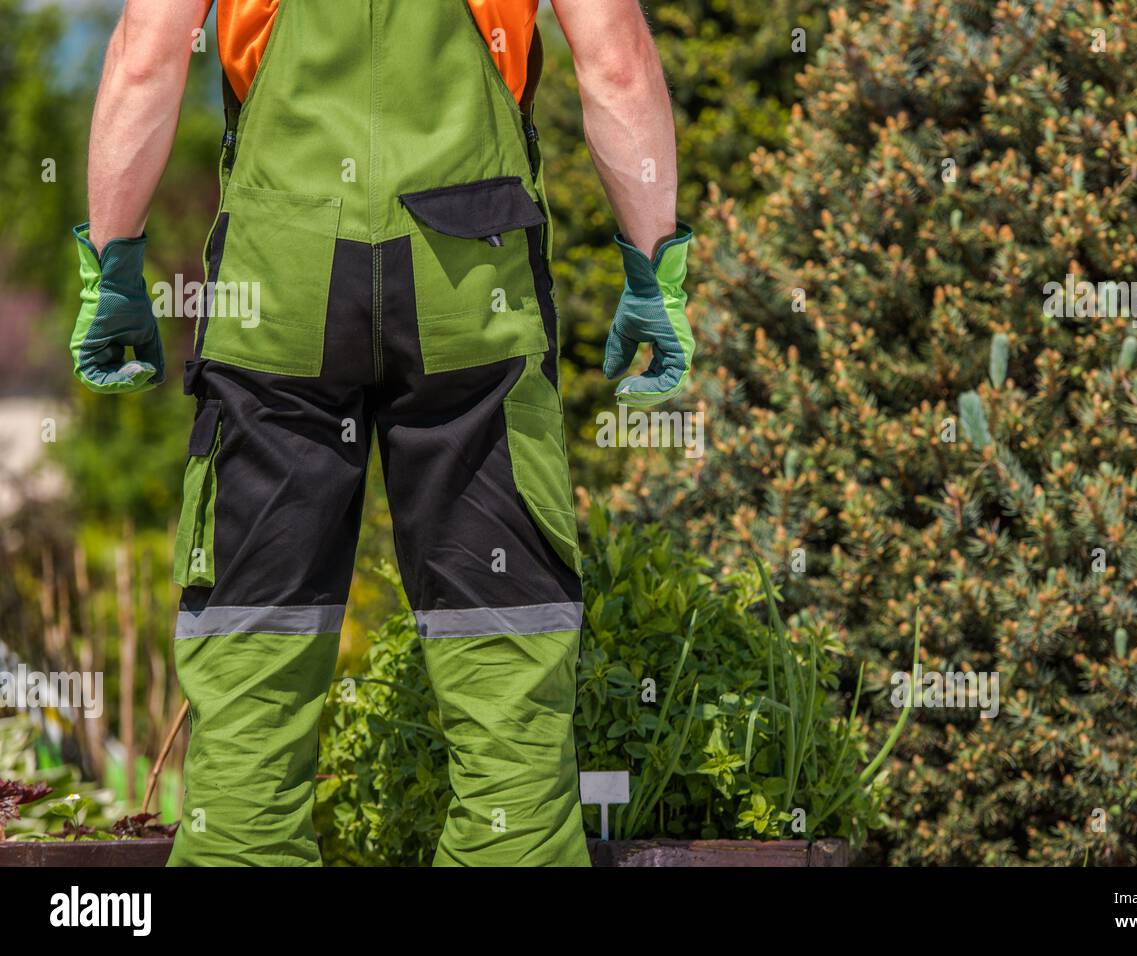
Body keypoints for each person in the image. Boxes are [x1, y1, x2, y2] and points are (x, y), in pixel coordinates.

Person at [69, 0, 696, 866]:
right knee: (506, 640)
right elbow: (615, 58)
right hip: (471, 276)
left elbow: (147, 55)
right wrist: (653, 268)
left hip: (280, 280)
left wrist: (113, 266)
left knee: (256, 629)